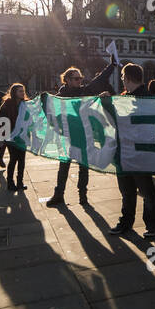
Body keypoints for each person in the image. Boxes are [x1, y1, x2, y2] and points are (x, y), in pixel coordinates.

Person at [46, 62, 118, 208]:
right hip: (67, 137)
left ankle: (83, 195)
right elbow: (52, 116)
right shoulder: (59, 97)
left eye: (80, 78)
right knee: (63, 166)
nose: (80, 81)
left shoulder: (85, 91)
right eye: (76, 79)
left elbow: (100, 79)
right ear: (67, 80)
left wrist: (112, 65)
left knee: (83, 166)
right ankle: (59, 194)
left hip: (84, 135)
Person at [109, 63, 155, 238]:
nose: (122, 80)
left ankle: (152, 225)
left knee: (146, 191)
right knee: (127, 191)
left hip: (139, 153)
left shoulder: (146, 99)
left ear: (128, 78)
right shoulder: (126, 98)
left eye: (123, 77)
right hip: (125, 152)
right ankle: (126, 222)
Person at [0, 83, 28, 191]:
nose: (22, 93)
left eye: (23, 91)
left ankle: (20, 182)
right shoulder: (7, 104)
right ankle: (10, 182)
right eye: (20, 91)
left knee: (22, 160)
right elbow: (2, 121)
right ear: (14, 92)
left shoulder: (25, 104)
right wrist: (2, 138)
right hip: (11, 136)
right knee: (13, 159)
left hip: (22, 136)